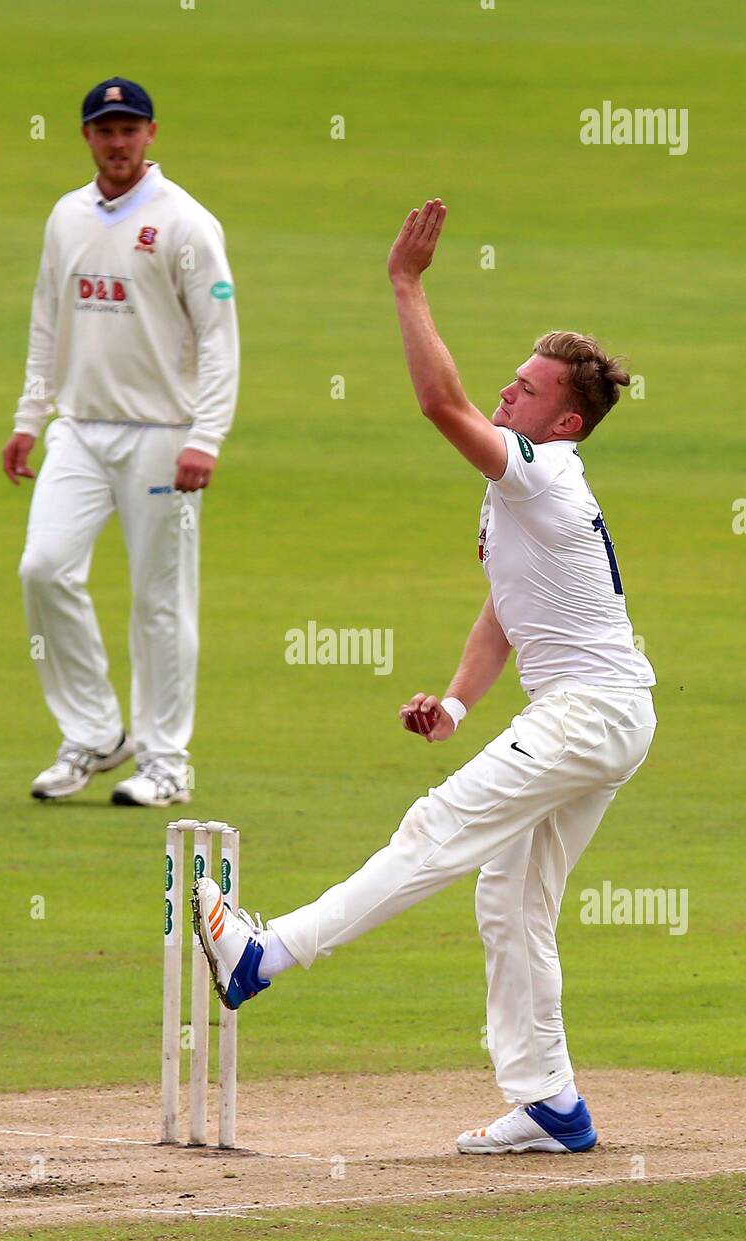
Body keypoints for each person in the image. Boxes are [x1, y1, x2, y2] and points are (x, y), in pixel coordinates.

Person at [193, 200, 656, 1156]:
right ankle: (551, 1104)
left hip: (590, 713)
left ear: (566, 421)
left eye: (527, 390)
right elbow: (504, 614)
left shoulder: (543, 471)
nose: (505, 395)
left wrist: (406, 284)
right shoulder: (515, 498)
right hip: (604, 715)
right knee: (508, 894)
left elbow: (439, 406)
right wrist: (453, 700)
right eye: (510, 381)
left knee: (437, 829)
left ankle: (262, 954)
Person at [3, 77, 239, 806]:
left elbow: (219, 338)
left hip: (163, 435)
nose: (117, 142)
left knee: (159, 601)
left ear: (151, 134)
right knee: (42, 568)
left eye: (129, 129)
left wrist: (206, 436)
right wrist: (28, 417)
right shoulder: (66, 216)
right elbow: (49, 320)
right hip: (78, 427)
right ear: (87, 137)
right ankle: (97, 735)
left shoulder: (186, 223)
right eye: (105, 130)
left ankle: (167, 760)